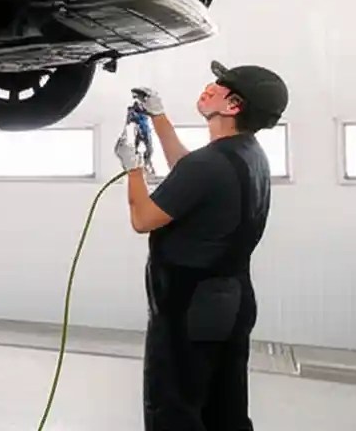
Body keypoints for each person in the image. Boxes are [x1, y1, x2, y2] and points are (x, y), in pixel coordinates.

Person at [113, 60, 289, 431]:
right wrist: (159, 118)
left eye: (220, 86)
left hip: (190, 308)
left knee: (175, 409)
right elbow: (188, 169)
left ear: (233, 105)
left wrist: (133, 168)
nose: (209, 87)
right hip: (230, 300)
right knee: (225, 409)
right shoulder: (247, 153)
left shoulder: (210, 164)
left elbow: (142, 219)